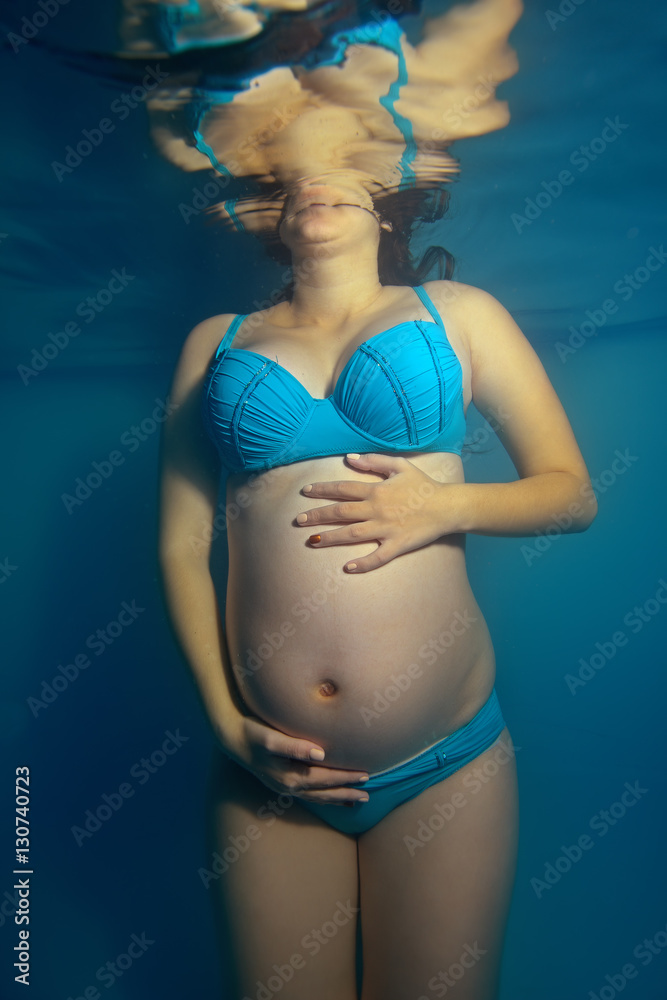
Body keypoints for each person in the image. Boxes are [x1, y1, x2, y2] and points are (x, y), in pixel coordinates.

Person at [158, 174, 597, 999]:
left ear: (386, 205)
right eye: (297, 174)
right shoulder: (213, 340)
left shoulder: (457, 312)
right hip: (268, 773)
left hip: (446, 761)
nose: (315, 174)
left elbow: (570, 494)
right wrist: (225, 726)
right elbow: (181, 547)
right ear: (271, 215)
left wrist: (440, 505)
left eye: (345, 169)